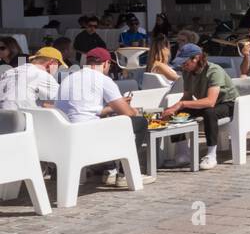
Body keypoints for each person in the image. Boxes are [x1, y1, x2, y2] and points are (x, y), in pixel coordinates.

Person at [56, 47, 154, 187]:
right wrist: (133, 110)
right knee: (139, 122)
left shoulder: (69, 78)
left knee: (107, 121)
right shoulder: (103, 79)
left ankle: (109, 170)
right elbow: (128, 114)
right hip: (87, 133)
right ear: (106, 63)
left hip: (67, 131)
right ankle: (125, 174)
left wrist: (111, 108)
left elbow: (85, 111)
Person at [160, 43, 238, 170]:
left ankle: (211, 155)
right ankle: (182, 154)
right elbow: (187, 97)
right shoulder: (187, 72)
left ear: (196, 58)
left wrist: (181, 104)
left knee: (209, 112)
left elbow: (210, 102)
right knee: (178, 113)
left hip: (227, 104)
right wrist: (172, 109)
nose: (183, 65)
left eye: (185, 62)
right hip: (207, 103)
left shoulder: (213, 70)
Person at [0, 45, 64, 110]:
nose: (57, 70)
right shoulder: (42, 75)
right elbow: (65, 100)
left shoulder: (9, 72)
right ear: (51, 63)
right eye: (58, 66)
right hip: (21, 117)